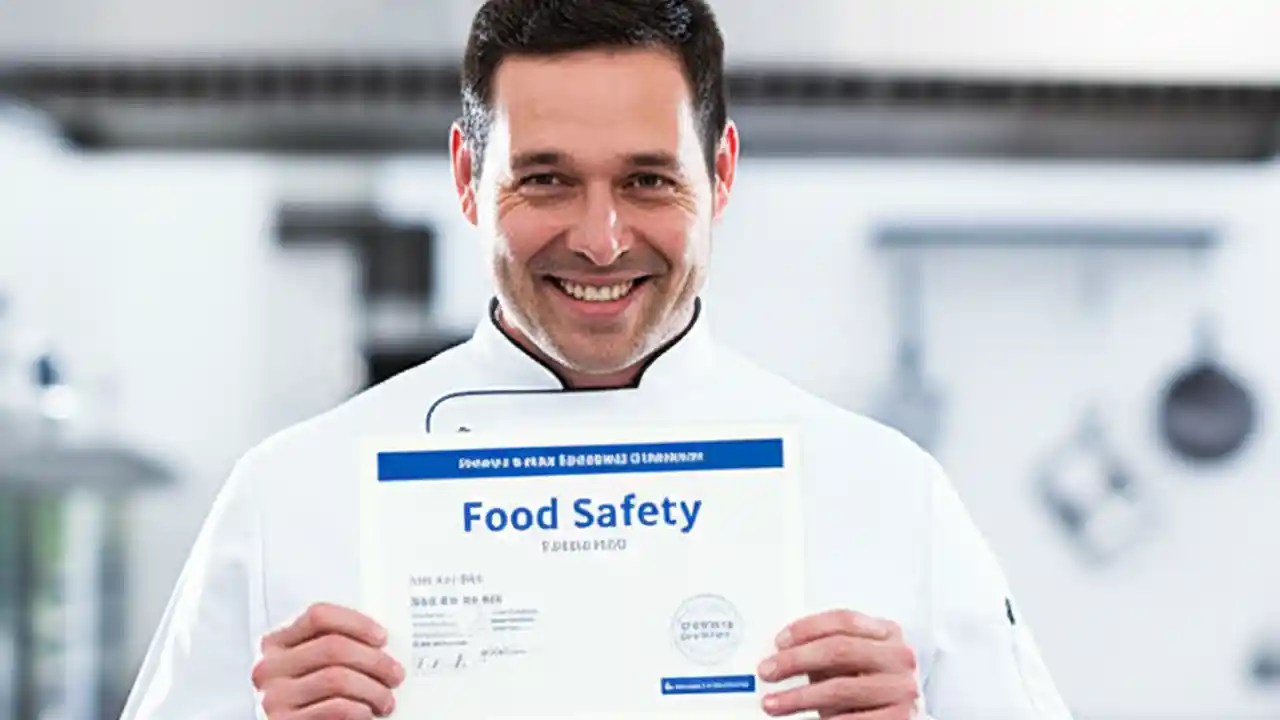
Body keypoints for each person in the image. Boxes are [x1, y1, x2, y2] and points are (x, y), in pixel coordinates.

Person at [122, 1, 1075, 718]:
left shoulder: (888, 493)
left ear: (723, 173)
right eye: (545, 180)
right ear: (466, 176)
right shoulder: (290, 494)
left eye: (647, 180)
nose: (601, 238)